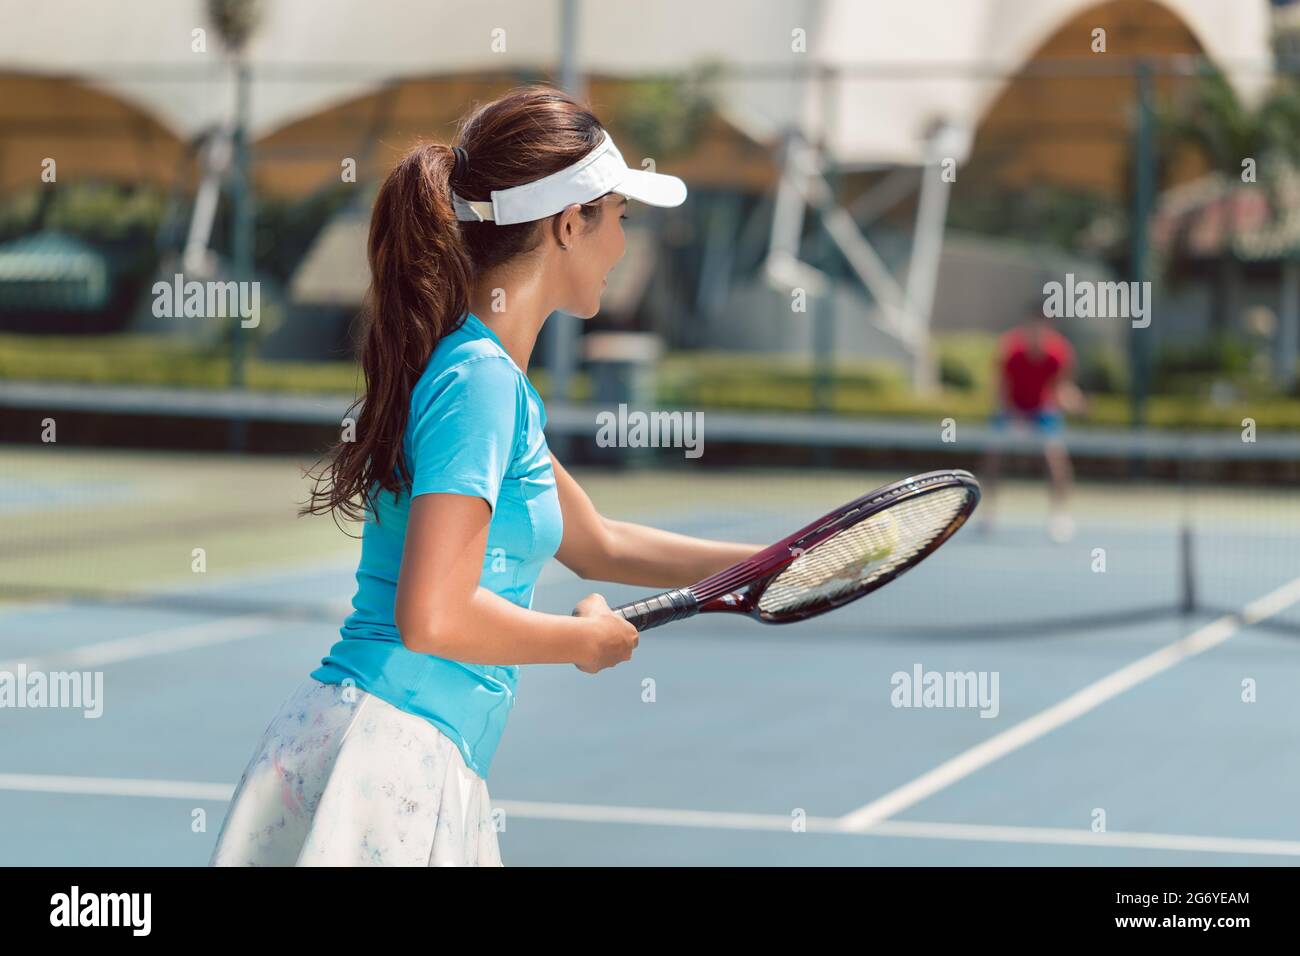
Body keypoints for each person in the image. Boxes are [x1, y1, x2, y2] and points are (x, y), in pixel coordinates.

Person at [208, 86, 760, 867]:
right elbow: (431, 615)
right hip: (386, 756)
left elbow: (598, 543)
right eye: (621, 220)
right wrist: (580, 640)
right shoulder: (480, 384)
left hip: (407, 752)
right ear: (572, 224)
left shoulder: (490, 379)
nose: (624, 246)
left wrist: (768, 560)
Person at [980, 305, 1086, 543]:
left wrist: (1075, 402)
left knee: (1055, 457)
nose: (1037, 332)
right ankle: (988, 513)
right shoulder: (1010, 349)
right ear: (1026, 326)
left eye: (1043, 327)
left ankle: (1060, 515)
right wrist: (1012, 416)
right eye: (1033, 326)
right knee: (993, 457)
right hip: (1012, 410)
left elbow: (1060, 389)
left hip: (1042, 412)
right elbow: (1000, 389)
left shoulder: (1060, 353)